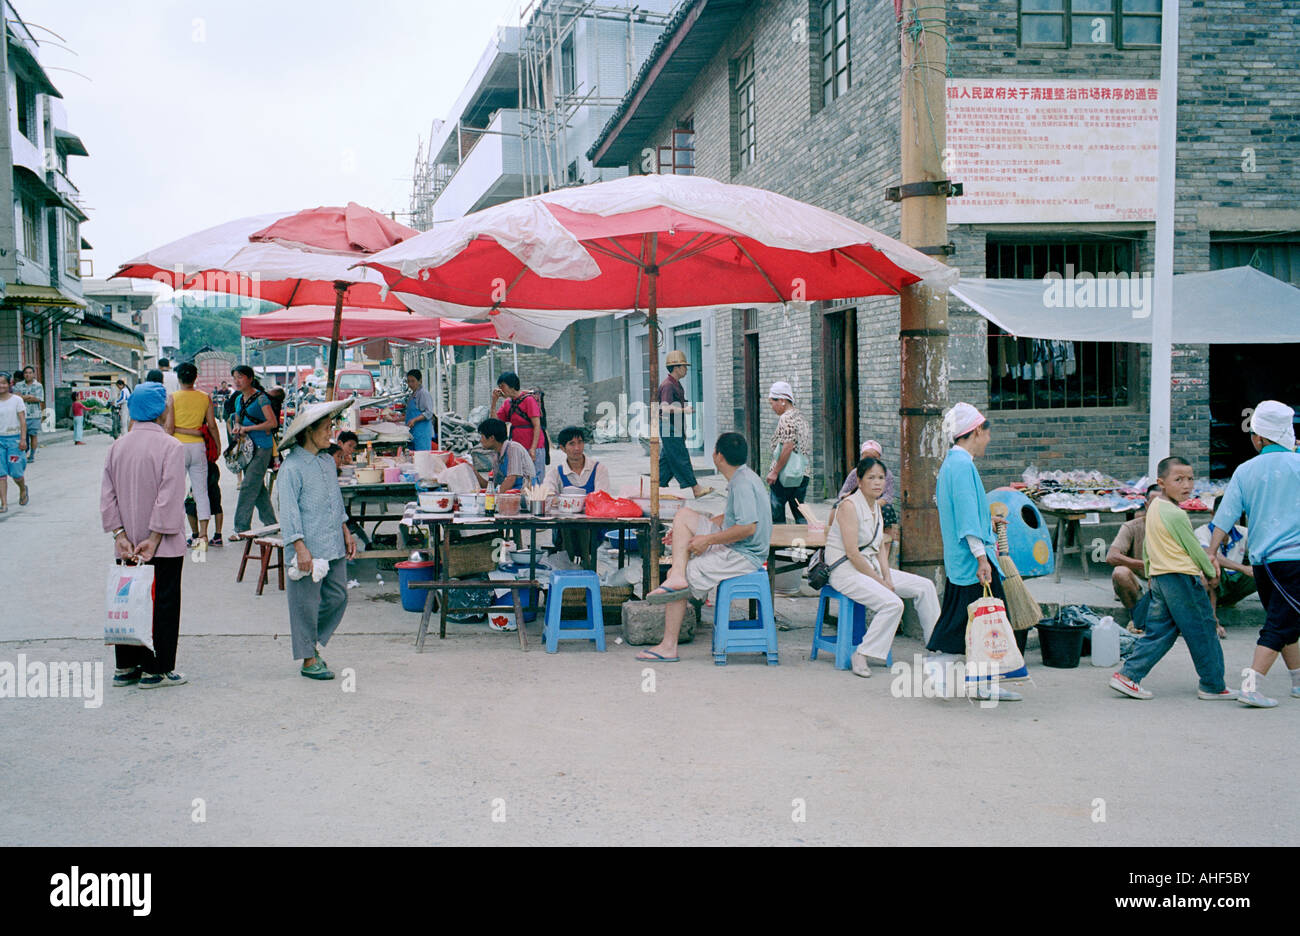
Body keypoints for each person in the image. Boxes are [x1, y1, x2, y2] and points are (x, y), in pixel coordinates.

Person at [1108, 456, 1237, 702]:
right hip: (1180, 578)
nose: (1186, 484)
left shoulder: (1155, 507)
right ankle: (1213, 684)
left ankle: (1128, 675)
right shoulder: (1176, 514)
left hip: (1160, 578)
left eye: (1190, 479)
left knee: (1160, 632)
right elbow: (1193, 549)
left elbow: (1148, 545)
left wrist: (1150, 570)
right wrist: (1210, 573)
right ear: (1161, 483)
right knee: (1203, 629)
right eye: (1178, 479)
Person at [639, 432, 772, 662]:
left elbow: (748, 527)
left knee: (676, 574)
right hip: (737, 547)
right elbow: (729, 519)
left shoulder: (741, 484)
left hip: (743, 554)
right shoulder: (745, 477)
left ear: (718, 456)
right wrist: (691, 533)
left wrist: (706, 540)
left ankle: (668, 646)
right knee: (684, 517)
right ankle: (678, 575)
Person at [927, 403, 1020, 702]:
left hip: (959, 558)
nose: (988, 441)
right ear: (977, 430)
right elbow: (967, 516)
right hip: (971, 561)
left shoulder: (951, 465)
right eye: (987, 434)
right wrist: (982, 558)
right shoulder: (964, 466)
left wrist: (986, 522)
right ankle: (947, 669)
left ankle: (980, 682)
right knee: (981, 621)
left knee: (967, 620)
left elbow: (962, 513)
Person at [1210, 400, 1300, 708]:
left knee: (1287, 621)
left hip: (1263, 562)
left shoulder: (1245, 470)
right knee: (1280, 624)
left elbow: (1225, 515)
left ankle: (1298, 681)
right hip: (1294, 560)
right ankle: (1250, 686)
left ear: (1259, 438)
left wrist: (1211, 551)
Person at [99, 382, 188, 689]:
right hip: (159, 545)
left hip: (126, 545)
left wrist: (119, 535)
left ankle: (125, 666)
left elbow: (107, 495)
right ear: (162, 409)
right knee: (162, 603)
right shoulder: (171, 447)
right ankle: (156, 668)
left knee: (128, 600)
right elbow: (170, 496)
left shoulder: (117, 446)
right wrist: (155, 537)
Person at [827, 455, 940, 678]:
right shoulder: (849, 506)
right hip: (846, 571)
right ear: (859, 481)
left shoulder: (875, 507)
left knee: (925, 587)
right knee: (893, 604)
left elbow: (879, 547)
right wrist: (881, 583)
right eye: (871, 478)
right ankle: (861, 654)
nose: (878, 482)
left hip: (869, 568)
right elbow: (852, 554)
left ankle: (936, 649)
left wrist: (887, 577)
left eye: (881, 478)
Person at [276, 398, 359, 680]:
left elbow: (335, 501)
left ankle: (311, 641)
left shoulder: (326, 461)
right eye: (325, 428)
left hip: (333, 542)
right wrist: (299, 546)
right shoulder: (291, 468)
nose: (330, 433)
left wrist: (346, 530)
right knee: (304, 604)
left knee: (338, 596)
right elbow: (287, 511)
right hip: (308, 547)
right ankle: (308, 658)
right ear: (308, 431)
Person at [543, 425, 613, 561]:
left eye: (580, 442)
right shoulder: (556, 472)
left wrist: (569, 502)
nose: (577, 448)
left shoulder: (598, 469)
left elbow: (602, 497)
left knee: (582, 526)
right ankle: (573, 564)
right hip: (564, 529)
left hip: (593, 528)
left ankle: (585, 562)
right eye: (571, 444)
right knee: (568, 526)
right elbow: (548, 495)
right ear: (562, 448)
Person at [171, 362, 221, 547]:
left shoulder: (172, 398)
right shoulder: (204, 397)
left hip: (177, 447)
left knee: (176, 492)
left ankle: (177, 533)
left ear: (179, 378)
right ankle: (204, 535)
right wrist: (217, 443)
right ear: (195, 378)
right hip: (198, 447)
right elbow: (212, 425)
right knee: (201, 491)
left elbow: (168, 428)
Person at [654, 350, 711, 499]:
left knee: (667, 460)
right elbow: (665, 408)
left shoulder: (676, 384)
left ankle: (657, 488)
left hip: (674, 426)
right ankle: (695, 488)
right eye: (684, 366)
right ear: (676, 367)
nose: (686, 369)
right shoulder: (668, 385)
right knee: (680, 457)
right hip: (669, 426)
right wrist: (684, 409)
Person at [1194, 496, 1255, 634]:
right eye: (1223, 515)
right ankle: (1213, 619)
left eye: (1233, 515)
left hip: (1234, 582)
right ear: (1213, 514)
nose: (1228, 520)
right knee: (1212, 569)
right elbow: (1210, 555)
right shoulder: (1202, 532)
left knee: (1265, 571)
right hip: (1214, 581)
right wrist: (1243, 568)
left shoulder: (1242, 532)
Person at [229, 364, 279, 533]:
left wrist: (248, 429)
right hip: (246, 447)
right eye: (235, 377)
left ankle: (241, 528)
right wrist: (237, 426)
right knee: (257, 487)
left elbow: (272, 423)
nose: (237, 381)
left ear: (250, 379)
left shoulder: (261, 398)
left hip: (262, 446)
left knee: (248, 485)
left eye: (240, 377)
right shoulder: (238, 399)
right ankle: (271, 523)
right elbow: (238, 419)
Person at [1107, 484, 1160, 633]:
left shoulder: (1177, 524)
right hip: (1141, 580)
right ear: (1146, 505)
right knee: (1120, 573)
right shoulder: (1132, 526)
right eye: (1154, 503)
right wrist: (1143, 565)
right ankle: (1136, 616)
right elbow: (1111, 556)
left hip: (1166, 581)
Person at [838, 440, 899, 557]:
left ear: (879, 459)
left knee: (887, 510)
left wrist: (874, 505)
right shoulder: (855, 473)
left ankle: (885, 554)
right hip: (858, 505)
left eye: (874, 458)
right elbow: (842, 494)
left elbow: (888, 496)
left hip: (877, 505)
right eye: (867, 458)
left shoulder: (887, 474)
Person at [766, 381, 812, 524]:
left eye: (772, 402)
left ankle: (779, 544)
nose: (772, 407)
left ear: (782, 400)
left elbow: (788, 446)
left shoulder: (786, 418)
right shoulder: (801, 417)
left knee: (776, 514)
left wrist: (775, 471)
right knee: (799, 513)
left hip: (785, 474)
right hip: (802, 473)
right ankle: (804, 544)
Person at [492, 371, 546, 484]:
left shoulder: (528, 400)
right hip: (517, 446)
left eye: (503, 386)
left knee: (535, 478)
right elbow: (495, 423)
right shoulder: (508, 403)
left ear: (512, 386)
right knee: (519, 479)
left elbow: (537, 425)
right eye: (499, 386)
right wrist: (494, 402)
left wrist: (533, 448)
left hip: (533, 445)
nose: (501, 389)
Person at [474, 417, 532, 492]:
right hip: (510, 494)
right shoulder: (496, 454)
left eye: (482, 437)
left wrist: (493, 497)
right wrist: (475, 473)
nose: (480, 440)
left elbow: (511, 479)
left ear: (492, 438)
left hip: (525, 494)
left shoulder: (513, 448)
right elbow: (492, 486)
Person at [0, 372, 29, 510]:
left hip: (14, 440)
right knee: (1, 473)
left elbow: (23, 421)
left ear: (10, 383)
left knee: (16, 473)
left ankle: (22, 488)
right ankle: (4, 504)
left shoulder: (17, 400)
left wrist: (23, 439)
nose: (1, 386)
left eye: (4, 383)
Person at [185, 461, 225, 547]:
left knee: (190, 503)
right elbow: (218, 452)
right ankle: (218, 536)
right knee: (216, 502)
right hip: (213, 468)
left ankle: (197, 535)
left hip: (200, 469)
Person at [14, 365, 43, 462]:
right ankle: (23, 455)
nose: (28, 375)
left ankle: (32, 455)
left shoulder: (38, 385)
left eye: (30, 373)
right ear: (23, 374)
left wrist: (23, 397)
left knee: (33, 435)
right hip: (21, 415)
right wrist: (29, 396)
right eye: (26, 373)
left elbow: (38, 399)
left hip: (34, 415)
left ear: (33, 374)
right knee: (21, 436)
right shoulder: (18, 385)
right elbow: (16, 398)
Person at [404, 369, 436, 451]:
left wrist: (414, 420)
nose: (410, 384)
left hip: (422, 433)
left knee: (423, 458)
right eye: (408, 381)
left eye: (413, 381)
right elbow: (411, 413)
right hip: (413, 432)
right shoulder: (413, 394)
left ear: (420, 381)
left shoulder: (423, 393)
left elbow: (429, 413)